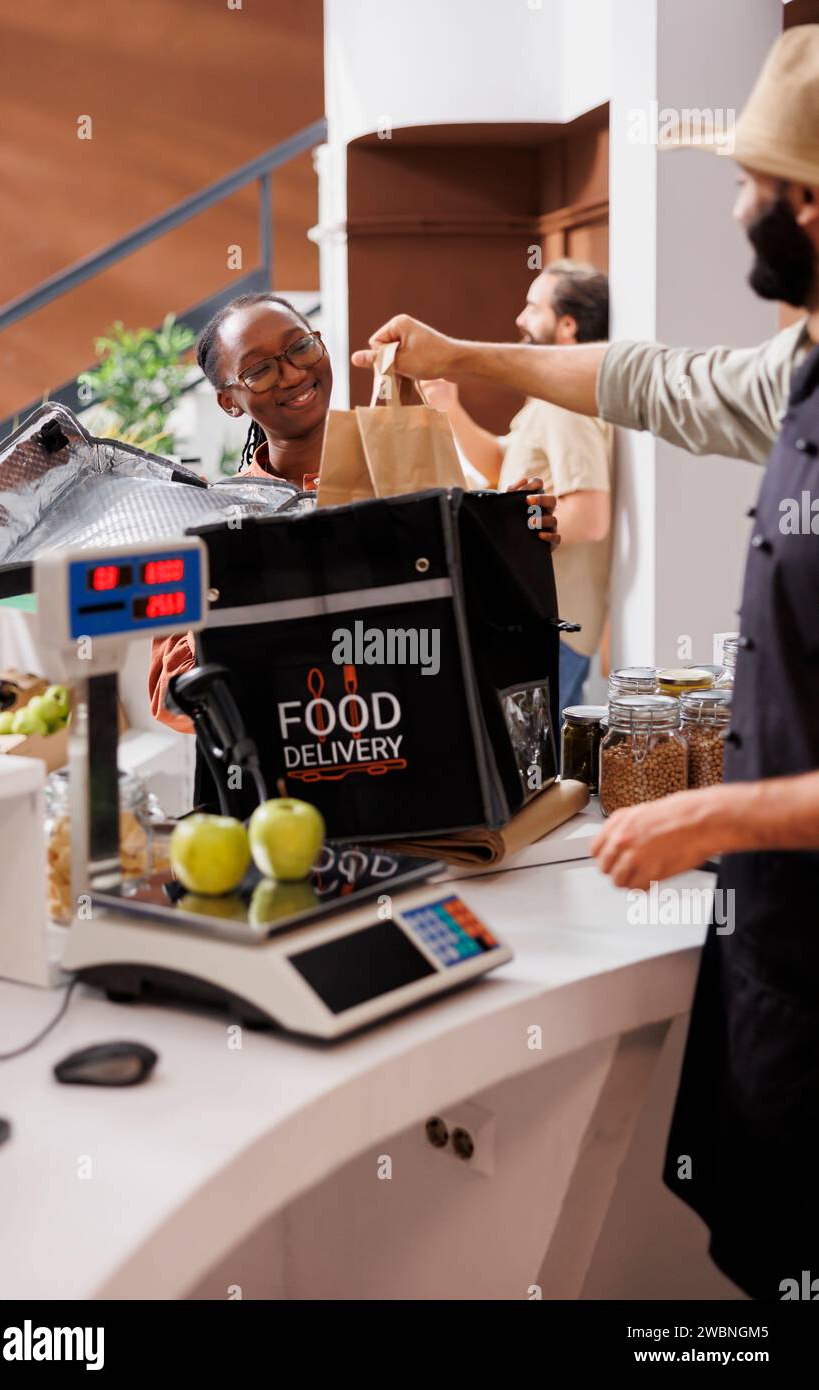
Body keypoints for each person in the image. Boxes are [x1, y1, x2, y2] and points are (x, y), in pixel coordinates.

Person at [352, 26, 819, 1301]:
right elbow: (642, 380)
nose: (732, 205)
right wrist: (462, 360)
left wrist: (721, 807)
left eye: (751, 182)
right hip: (782, 941)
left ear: (811, 203)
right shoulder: (801, 368)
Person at [149, 291, 560, 734]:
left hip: (425, 745)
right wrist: (229, 597)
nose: (291, 374)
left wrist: (510, 540)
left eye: (301, 347)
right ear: (229, 401)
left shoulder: (406, 472)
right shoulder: (217, 523)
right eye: (259, 370)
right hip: (302, 767)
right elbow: (172, 699)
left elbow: (467, 621)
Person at [422, 260, 612, 721]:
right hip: (543, 619)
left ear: (567, 325)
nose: (520, 320)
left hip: (552, 624)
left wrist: (497, 530)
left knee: (530, 767)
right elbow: (500, 462)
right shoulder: (551, 399)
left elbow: (589, 514)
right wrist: (450, 409)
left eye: (533, 308)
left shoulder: (567, 403)